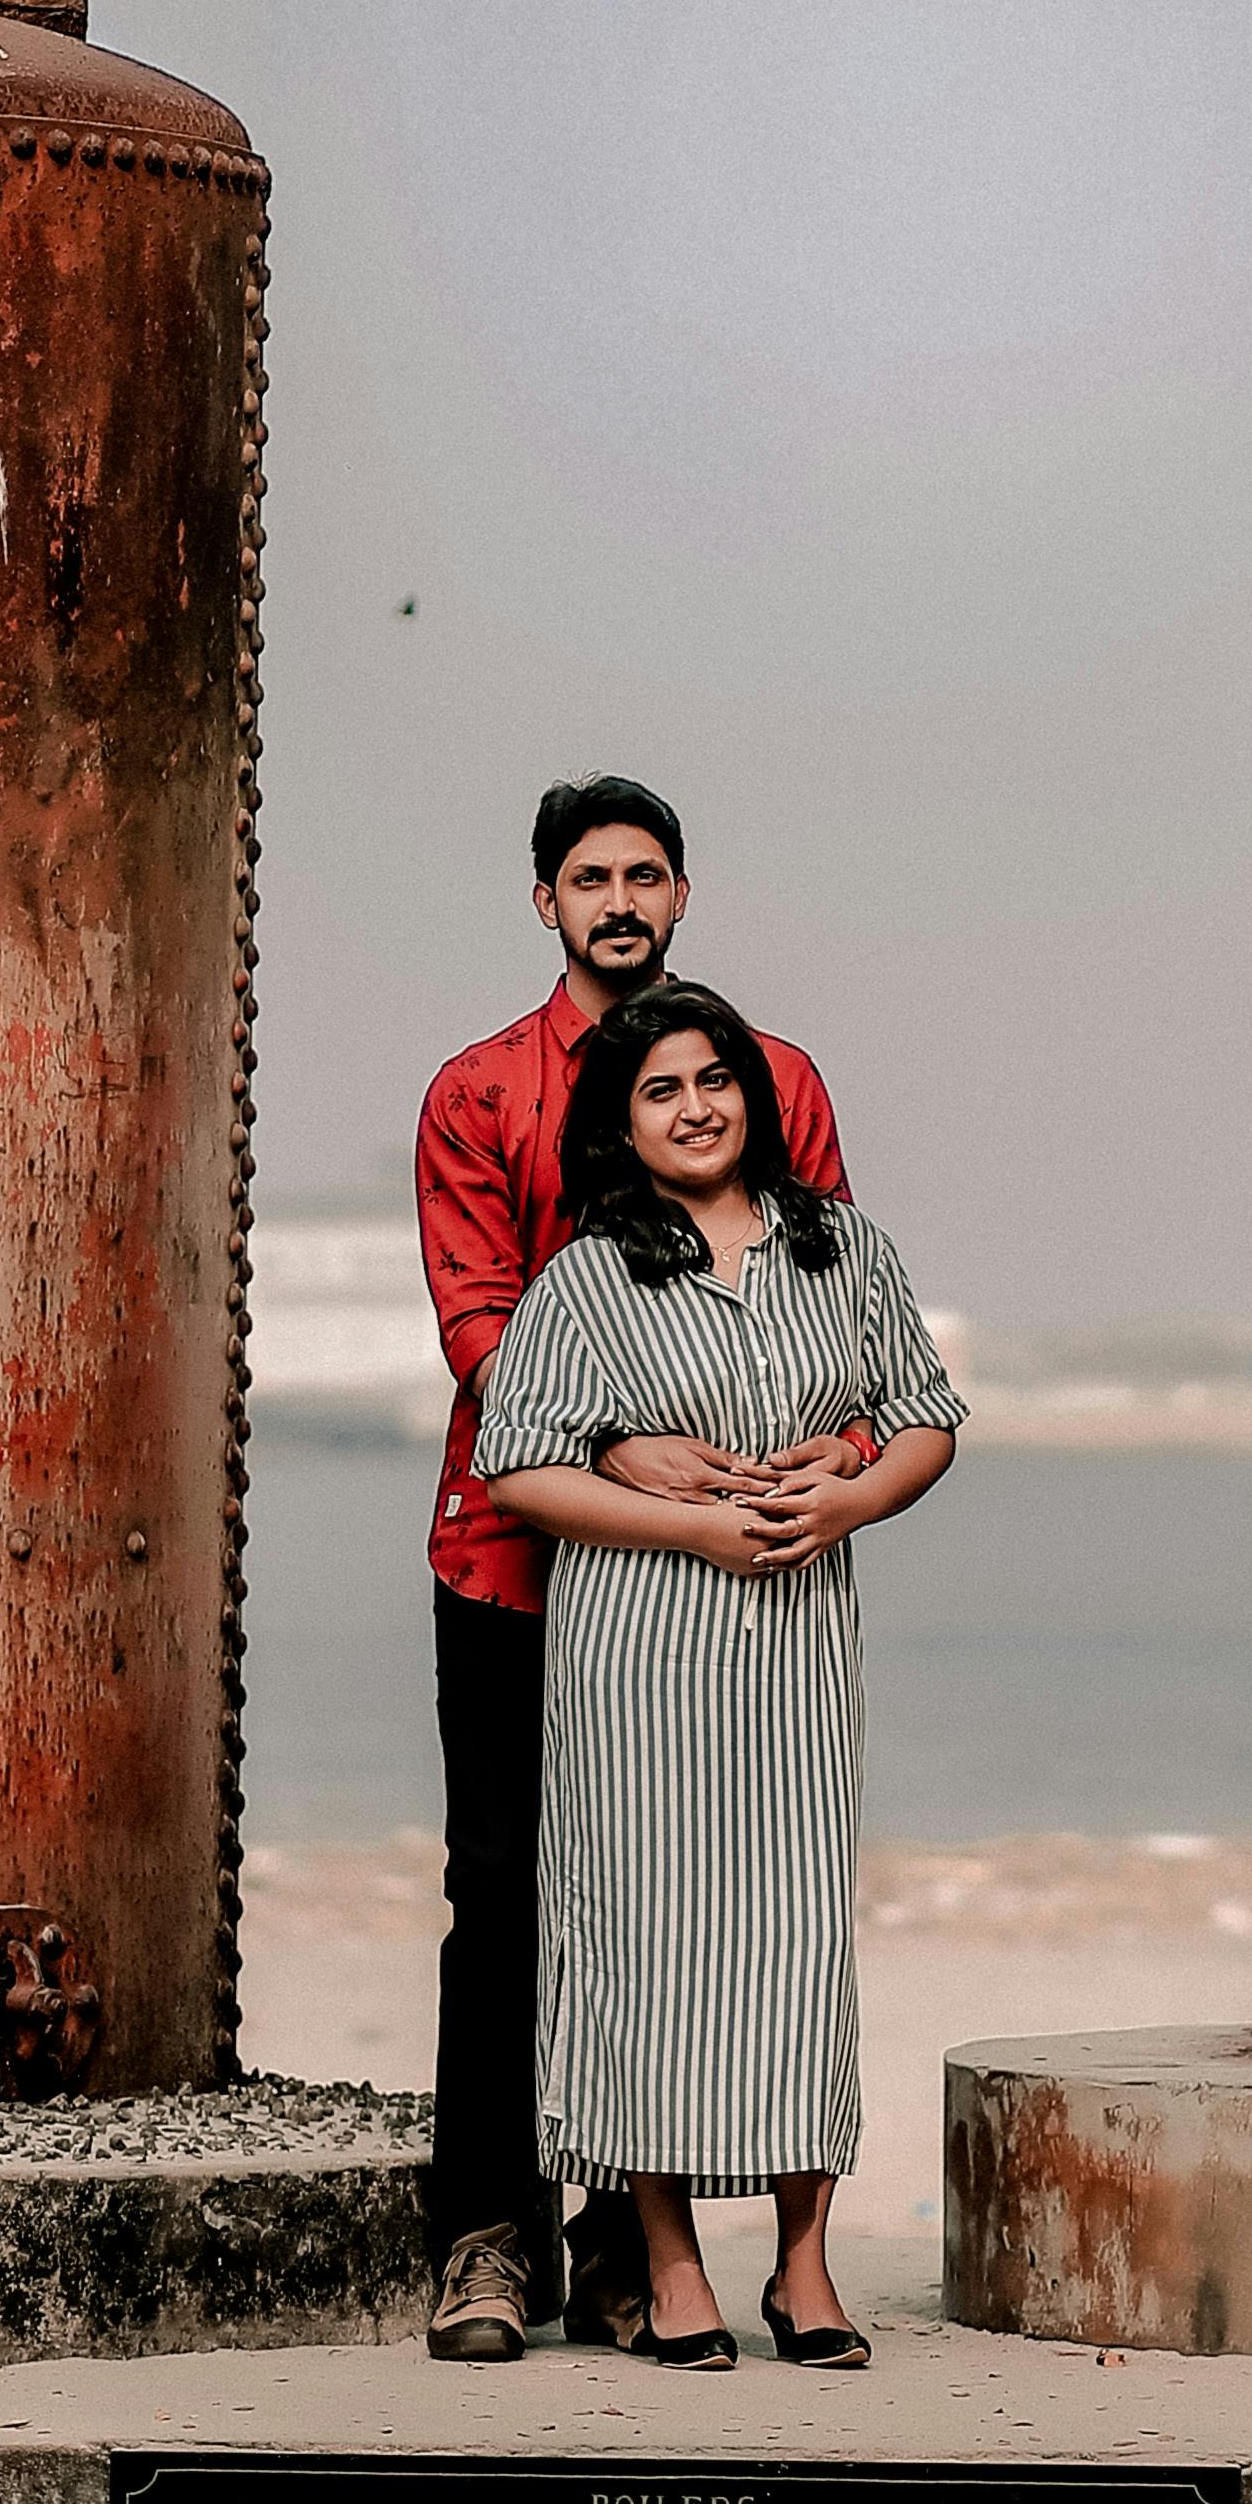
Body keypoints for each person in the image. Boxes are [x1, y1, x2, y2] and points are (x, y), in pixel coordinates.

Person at [411, 776, 859, 2365]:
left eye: (645, 874)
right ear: (546, 902)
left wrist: (835, 1472)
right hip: (514, 1566)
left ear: (681, 893)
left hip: (713, 1583)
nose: (619, 899)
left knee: (662, 1909)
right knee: (508, 1897)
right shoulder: (478, 1093)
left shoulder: (766, 1079)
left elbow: (825, 1296)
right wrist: (616, 1455)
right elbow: (479, 1332)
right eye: (590, 876)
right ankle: (485, 2239)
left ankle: (625, 2251)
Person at [477, 981, 963, 2365]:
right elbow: (520, 1465)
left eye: (714, 1081)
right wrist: (690, 1523)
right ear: (621, 1127)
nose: (695, 1109)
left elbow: (925, 1418)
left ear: (752, 1094)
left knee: (798, 1942)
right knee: (647, 1941)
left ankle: (805, 2266)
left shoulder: (848, 1253)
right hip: (638, 1649)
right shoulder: (586, 1277)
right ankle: (671, 2262)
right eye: (659, 1091)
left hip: (803, 1649)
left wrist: (852, 1499)